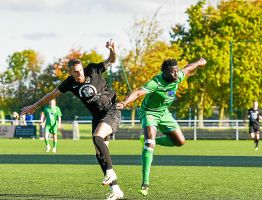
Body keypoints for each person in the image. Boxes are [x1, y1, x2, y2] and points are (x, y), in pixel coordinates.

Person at [21, 40, 124, 200]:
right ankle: (116, 190)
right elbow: (51, 95)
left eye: (80, 70)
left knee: (97, 138)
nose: (79, 74)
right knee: (100, 154)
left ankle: (110, 173)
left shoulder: (93, 69)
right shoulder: (69, 83)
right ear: (70, 73)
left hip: (112, 110)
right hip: (97, 116)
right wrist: (34, 106)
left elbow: (111, 60)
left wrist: (113, 50)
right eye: (75, 72)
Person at [116, 58, 207, 196]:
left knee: (180, 142)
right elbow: (138, 92)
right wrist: (125, 102)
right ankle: (145, 183)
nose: (176, 74)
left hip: (164, 113)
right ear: (164, 72)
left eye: (177, 71)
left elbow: (188, 68)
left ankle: (148, 141)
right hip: (149, 112)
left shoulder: (177, 77)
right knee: (149, 144)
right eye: (173, 72)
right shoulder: (155, 83)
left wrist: (199, 63)